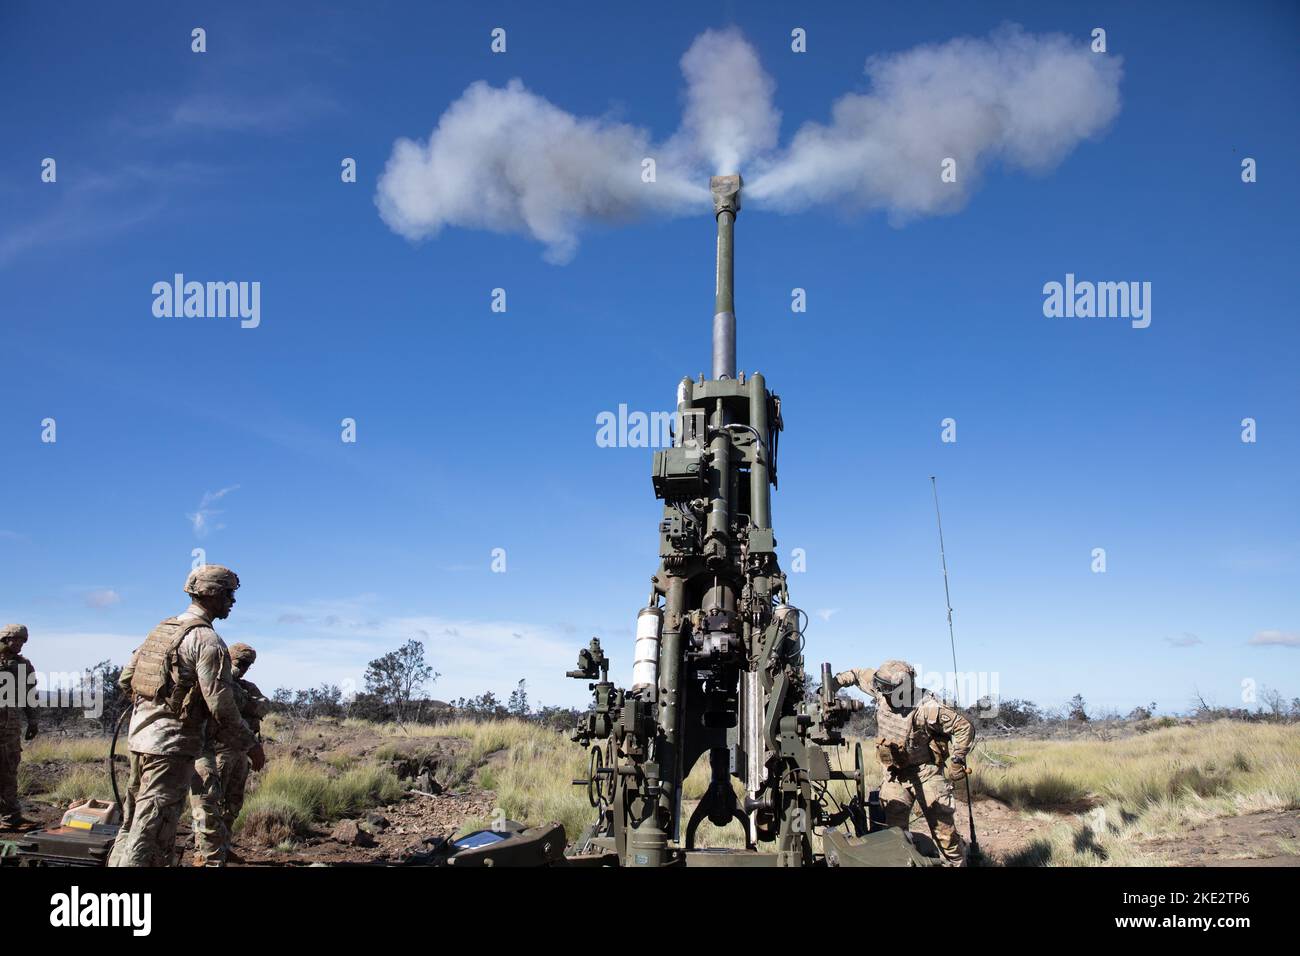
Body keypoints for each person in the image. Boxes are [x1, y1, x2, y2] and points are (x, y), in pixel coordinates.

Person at [110, 566, 262, 867]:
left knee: (131, 823)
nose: (232, 601)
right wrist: (250, 744)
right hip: (172, 746)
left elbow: (126, 680)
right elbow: (222, 704)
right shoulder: (208, 641)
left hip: (140, 739)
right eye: (229, 593)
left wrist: (158, 710)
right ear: (212, 594)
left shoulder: (163, 630)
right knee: (152, 829)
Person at [835, 660, 974, 866]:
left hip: (926, 773)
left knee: (944, 833)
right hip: (895, 775)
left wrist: (957, 759)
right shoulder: (882, 689)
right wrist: (834, 683)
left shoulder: (927, 707)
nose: (881, 692)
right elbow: (856, 674)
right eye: (880, 687)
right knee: (892, 834)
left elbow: (964, 727)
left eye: (887, 689)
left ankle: (957, 862)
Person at [190, 642, 269, 864]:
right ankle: (202, 850)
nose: (243, 669)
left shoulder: (245, 687)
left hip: (239, 751)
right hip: (214, 751)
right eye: (240, 663)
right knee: (207, 804)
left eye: (247, 665)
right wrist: (243, 702)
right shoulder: (215, 682)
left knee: (233, 803)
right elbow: (230, 703)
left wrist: (245, 702)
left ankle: (222, 847)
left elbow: (262, 705)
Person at [0, 624, 39, 828]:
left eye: (22, 641)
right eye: (14, 639)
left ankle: (10, 817)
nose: (19, 644)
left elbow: (30, 695)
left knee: (9, 767)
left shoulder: (23, 665)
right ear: (5, 639)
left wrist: (32, 720)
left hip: (9, 728)